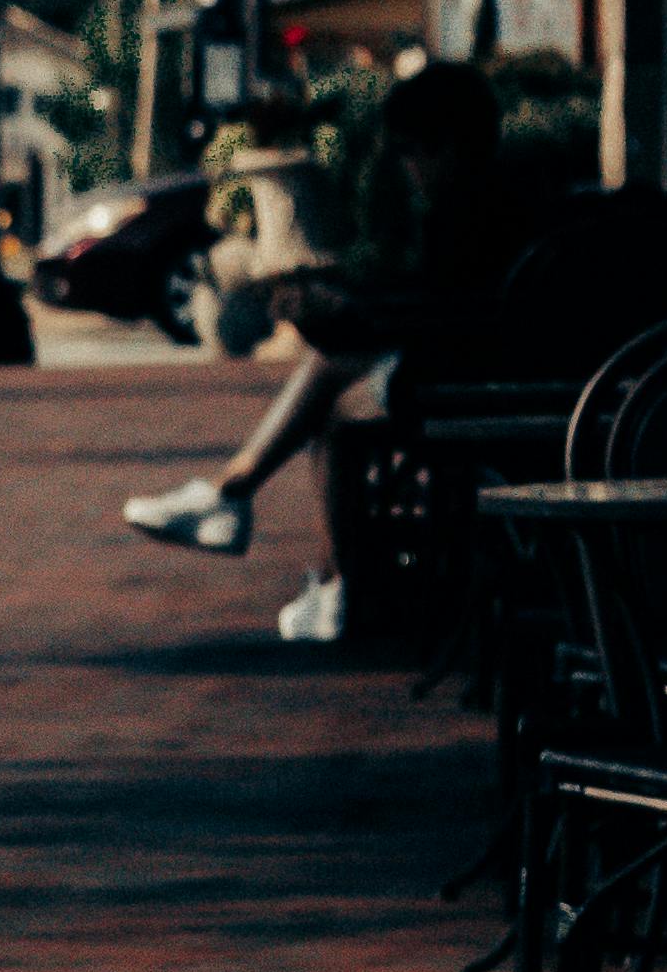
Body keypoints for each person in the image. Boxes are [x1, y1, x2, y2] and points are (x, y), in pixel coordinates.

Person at [122, 53, 507, 644]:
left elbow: (440, 313)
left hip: (469, 381)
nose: (407, 170)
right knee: (330, 384)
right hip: (481, 368)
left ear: (445, 147)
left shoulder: (468, 213)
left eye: (412, 152)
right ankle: (263, 524)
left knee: (332, 411)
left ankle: (297, 550)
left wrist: (350, 310)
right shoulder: (500, 200)